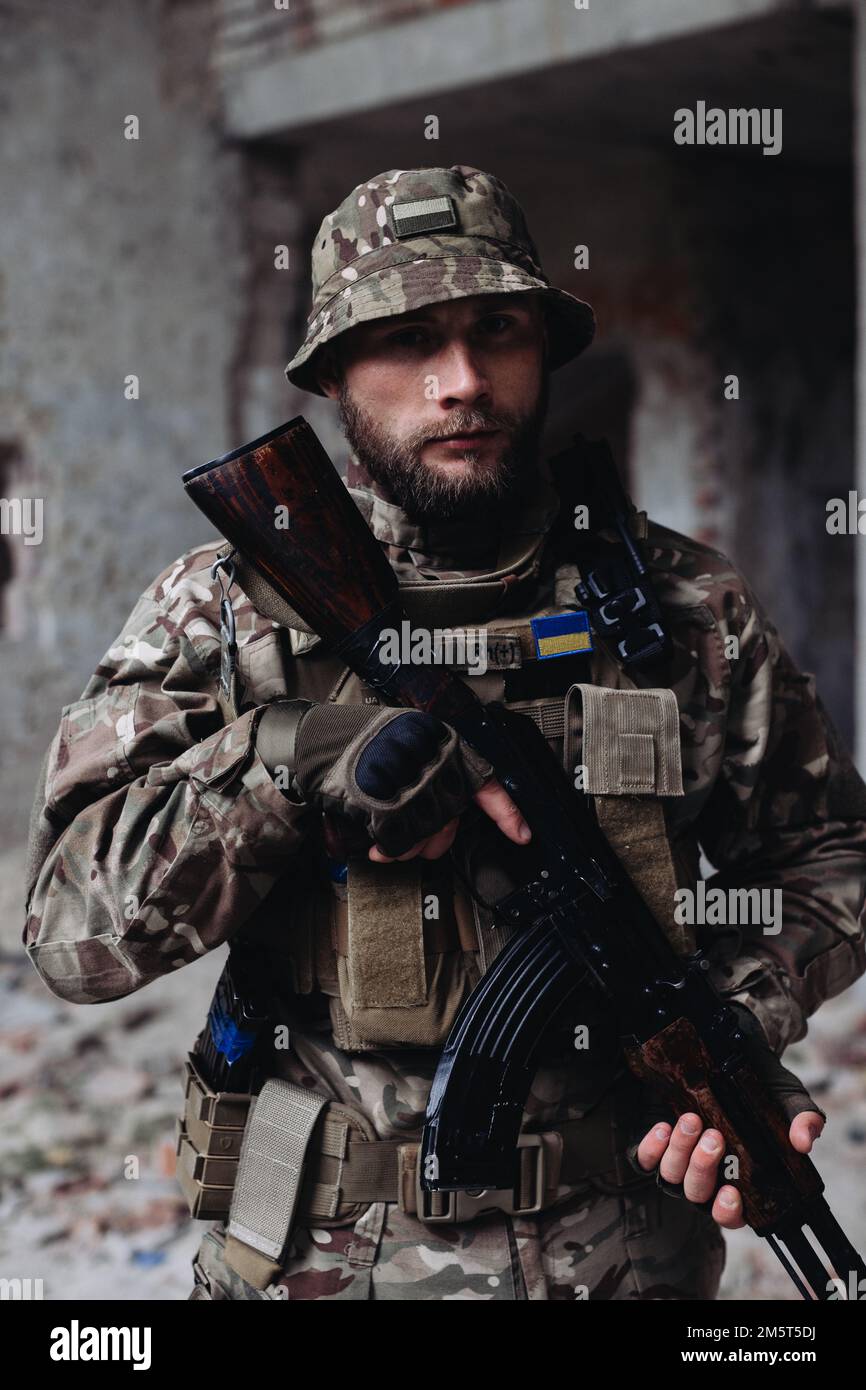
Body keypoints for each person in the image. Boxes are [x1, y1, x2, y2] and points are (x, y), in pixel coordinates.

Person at [24, 165, 866, 1301]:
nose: (461, 380)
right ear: (330, 372)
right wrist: (285, 762)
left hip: (621, 1262)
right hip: (318, 1261)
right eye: (409, 338)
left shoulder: (679, 606)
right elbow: (74, 931)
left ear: (543, 350)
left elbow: (829, 854)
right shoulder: (223, 613)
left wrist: (723, 1016)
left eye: (496, 330)